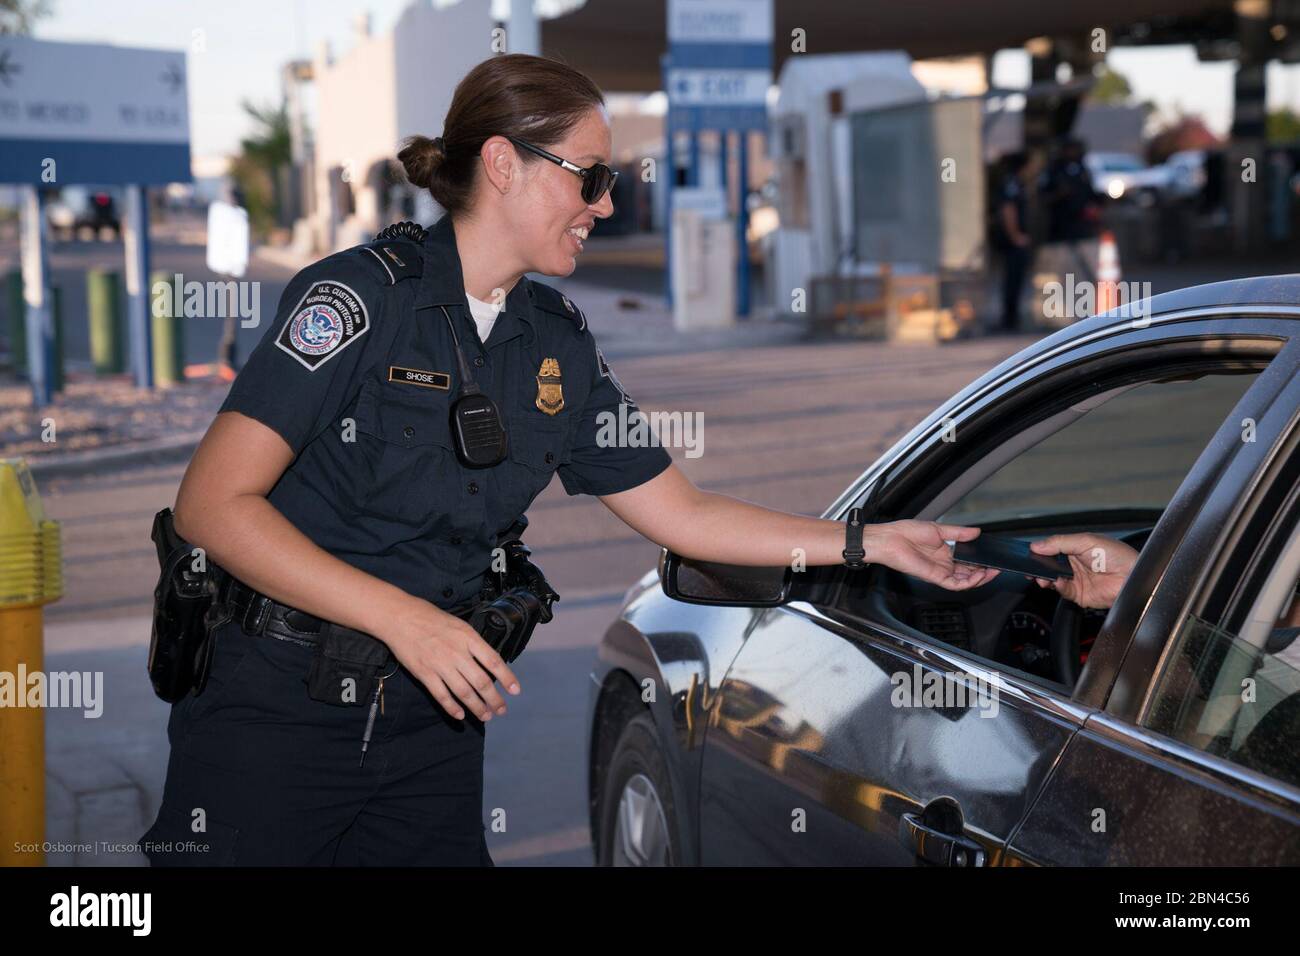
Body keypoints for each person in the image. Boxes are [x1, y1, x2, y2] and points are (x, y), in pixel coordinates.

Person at [139, 53, 997, 867]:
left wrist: (869, 541)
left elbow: (684, 515)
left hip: (431, 722)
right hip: (273, 712)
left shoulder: (556, 342)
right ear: (506, 164)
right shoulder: (358, 299)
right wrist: (403, 619)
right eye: (589, 178)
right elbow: (211, 506)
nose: (606, 205)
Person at [993, 151, 1035, 333]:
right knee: (1012, 280)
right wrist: (1016, 236)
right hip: (1013, 243)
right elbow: (1008, 210)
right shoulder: (1012, 184)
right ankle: (1009, 318)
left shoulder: (1015, 182)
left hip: (1014, 241)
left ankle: (1011, 316)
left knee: (1014, 280)